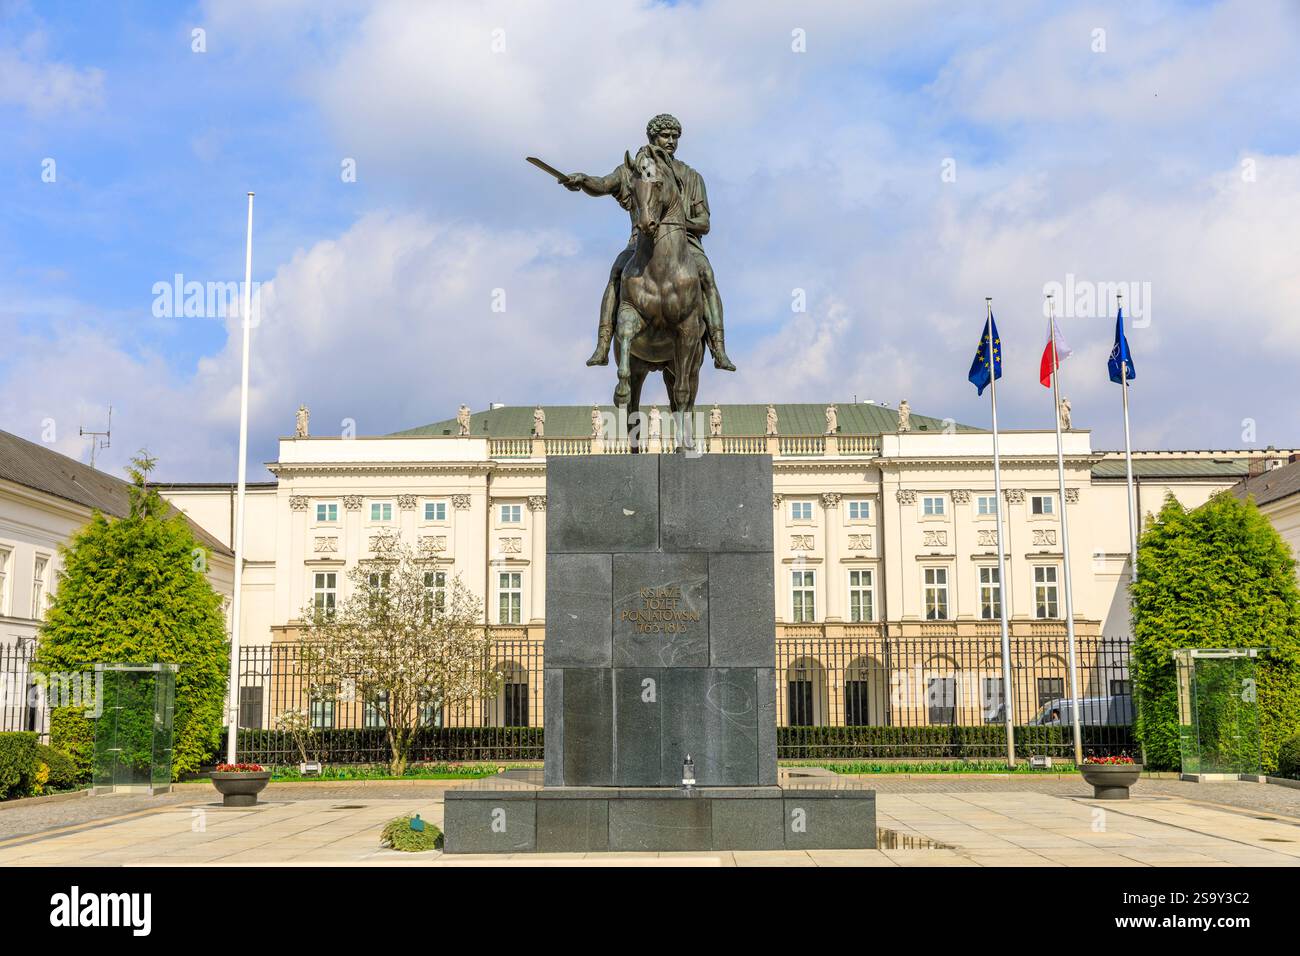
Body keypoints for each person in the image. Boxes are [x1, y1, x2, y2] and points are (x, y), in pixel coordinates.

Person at [560, 113, 734, 371]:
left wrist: (677, 225)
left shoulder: (692, 177)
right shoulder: (634, 170)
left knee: (706, 275)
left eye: (675, 136)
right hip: (639, 243)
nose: (671, 141)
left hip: (685, 245)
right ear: (653, 137)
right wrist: (583, 180)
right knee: (617, 272)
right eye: (665, 135)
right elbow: (603, 184)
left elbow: (704, 223)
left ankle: (718, 347)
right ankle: (603, 344)